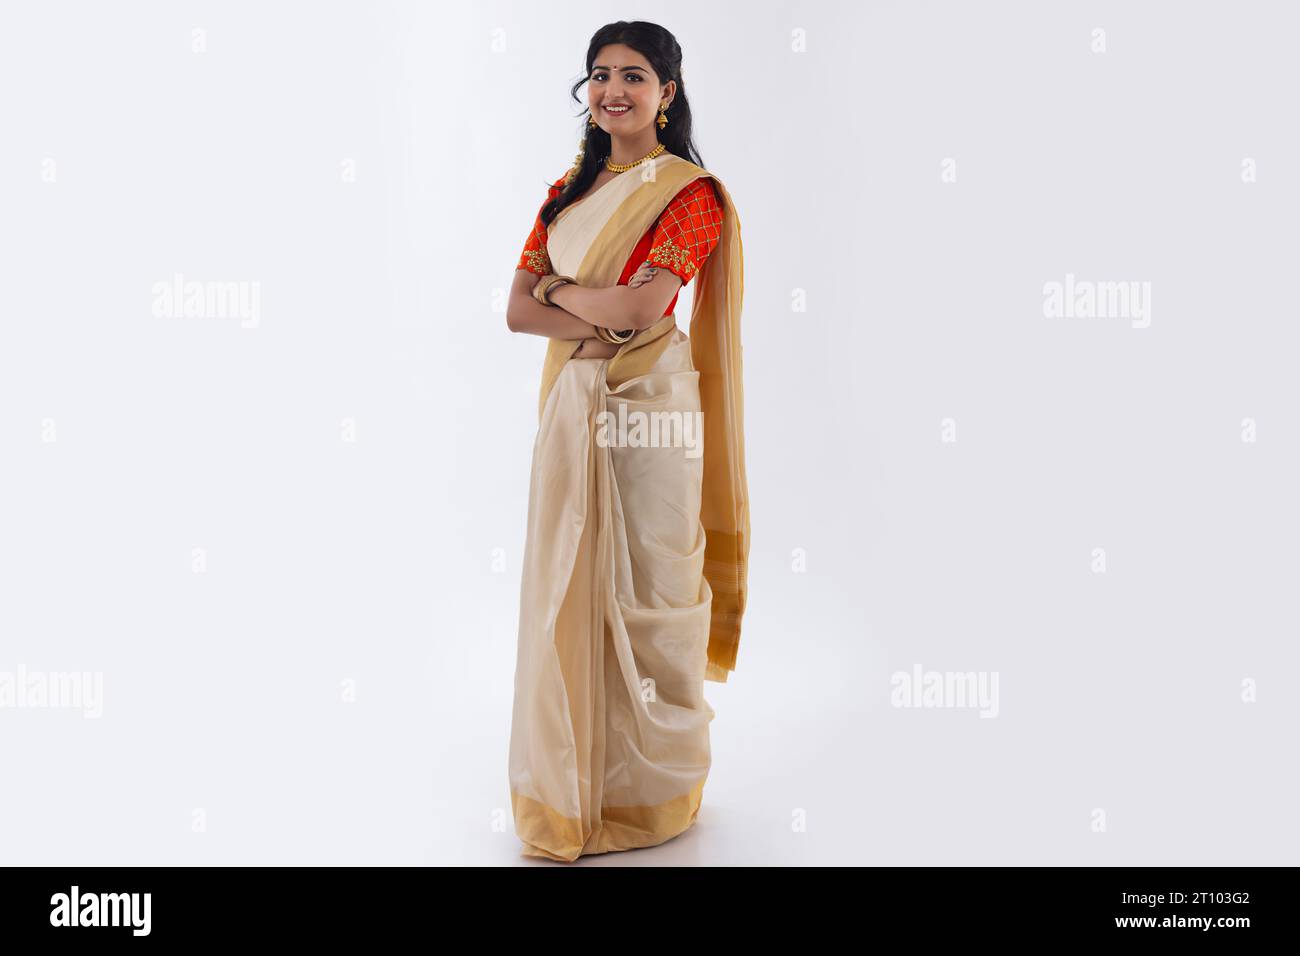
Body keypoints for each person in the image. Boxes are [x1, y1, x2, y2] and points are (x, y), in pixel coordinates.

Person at [505, 20, 749, 862]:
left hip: (653, 410)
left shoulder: (689, 194)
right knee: (569, 580)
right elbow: (515, 312)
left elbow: (646, 311)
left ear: (667, 93)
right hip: (574, 406)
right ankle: (575, 790)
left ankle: (648, 794)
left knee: (650, 585)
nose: (614, 90)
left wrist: (561, 289)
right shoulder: (565, 195)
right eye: (600, 75)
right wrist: (587, 302)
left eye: (634, 76)